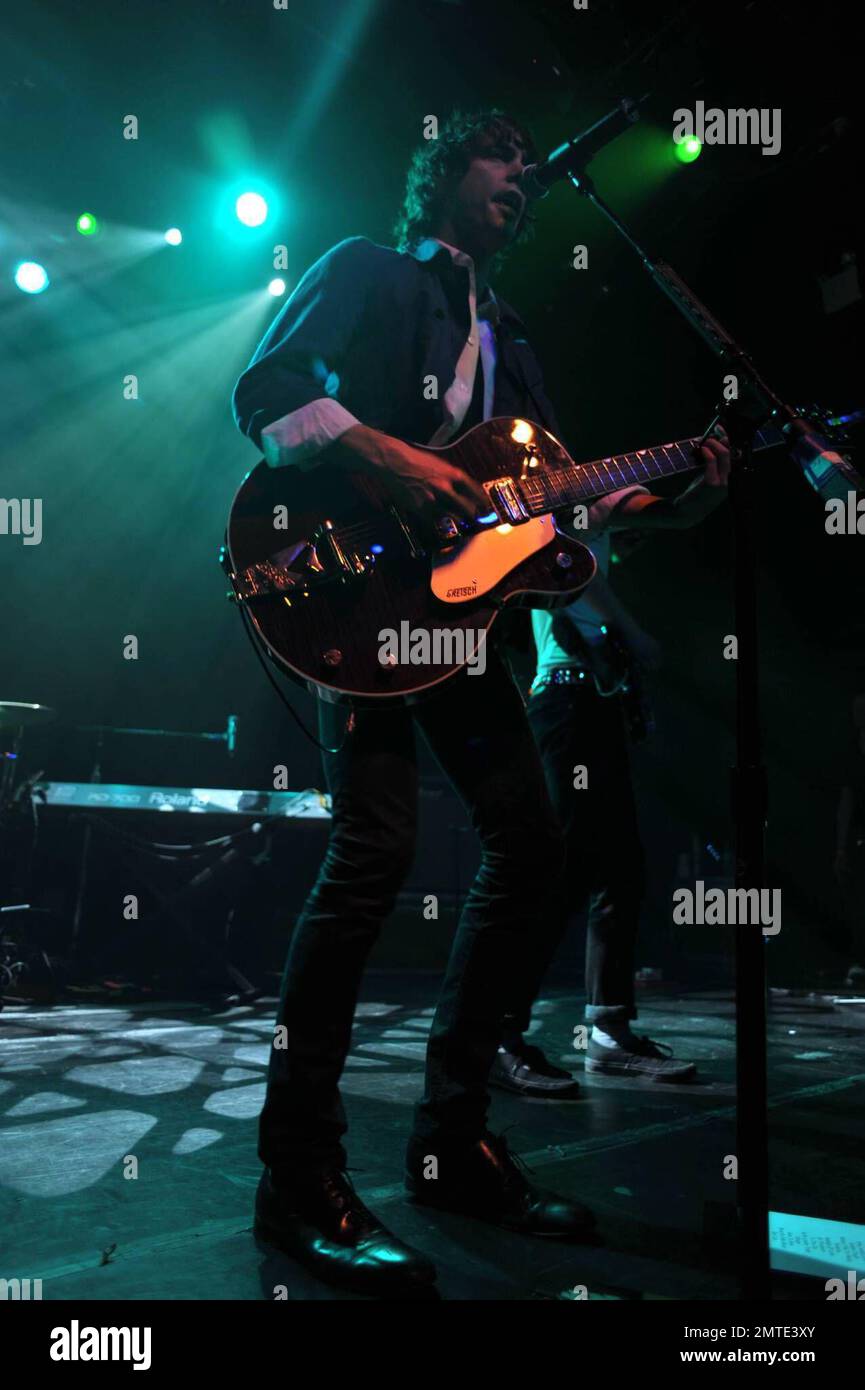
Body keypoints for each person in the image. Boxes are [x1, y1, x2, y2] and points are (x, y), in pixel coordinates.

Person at [231, 108, 730, 1294]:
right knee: (372, 852)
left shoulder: (509, 335)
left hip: (461, 628)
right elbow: (270, 395)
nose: (518, 178)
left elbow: (557, 516)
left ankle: (452, 1141)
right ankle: (294, 1175)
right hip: (349, 595)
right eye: (500, 156)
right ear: (445, 171)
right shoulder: (366, 269)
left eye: (522, 162)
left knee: (530, 845)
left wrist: (682, 489)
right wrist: (408, 464)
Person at [834, 693, 865, 987]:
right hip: (859, 838)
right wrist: (842, 847)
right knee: (857, 902)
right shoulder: (853, 755)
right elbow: (846, 802)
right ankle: (859, 959)